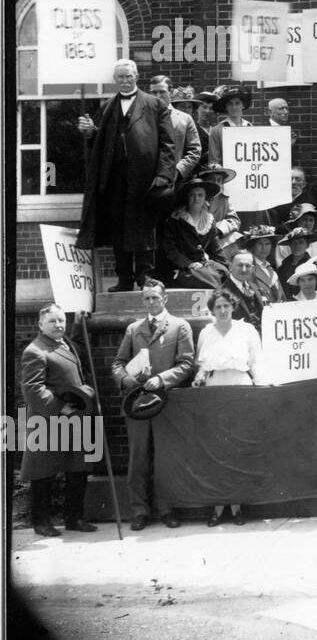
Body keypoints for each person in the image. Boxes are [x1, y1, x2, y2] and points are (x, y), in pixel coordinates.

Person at [75, 59, 177, 290]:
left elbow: (168, 144)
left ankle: (144, 277)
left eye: (128, 76)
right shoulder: (107, 107)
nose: (124, 80)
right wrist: (91, 133)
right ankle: (124, 278)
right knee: (118, 229)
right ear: (115, 79)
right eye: (120, 76)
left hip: (145, 179)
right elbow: (101, 142)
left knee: (144, 227)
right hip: (114, 180)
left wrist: (163, 174)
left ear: (137, 76)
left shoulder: (154, 105)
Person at [111, 281, 197, 530]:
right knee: (138, 458)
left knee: (166, 457)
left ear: (165, 298)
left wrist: (162, 378)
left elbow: (186, 363)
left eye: (155, 298)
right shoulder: (133, 329)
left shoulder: (180, 327)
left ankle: (166, 508)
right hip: (137, 403)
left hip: (165, 401)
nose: (151, 302)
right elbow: (118, 363)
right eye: (147, 298)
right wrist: (126, 379)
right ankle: (139, 511)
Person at [21, 305, 101, 537]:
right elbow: (33, 390)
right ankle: (41, 522)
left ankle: (74, 518)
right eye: (52, 321)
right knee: (43, 474)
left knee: (78, 470)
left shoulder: (66, 343)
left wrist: (77, 324)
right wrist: (60, 407)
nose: (58, 325)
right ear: (40, 325)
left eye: (61, 321)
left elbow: (74, 354)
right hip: (48, 420)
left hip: (75, 417)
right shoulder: (35, 351)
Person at [193, 288, 267, 525]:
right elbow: (202, 365)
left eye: (226, 306)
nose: (223, 310)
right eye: (218, 307)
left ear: (233, 307)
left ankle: (237, 507)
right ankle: (217, 507)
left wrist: (260, 389)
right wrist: (199, 376)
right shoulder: (206, 332)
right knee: (217, 449)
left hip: (240, 387)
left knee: (237, 448)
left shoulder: (246, 330)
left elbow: (257, 362)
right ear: (212, 310)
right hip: (215, 390)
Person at [160, 176, 227, 288]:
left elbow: (215, 250)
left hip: (203, 266)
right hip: (182, 269)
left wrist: (228, 267)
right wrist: (189, 264)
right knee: (205, 278)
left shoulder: (209, 221)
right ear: (187, 197)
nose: (196, 198)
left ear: (205, 197)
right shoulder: (175, 220)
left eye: (200, 195)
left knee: (223, 272)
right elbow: (171, 250)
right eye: (192, 195)